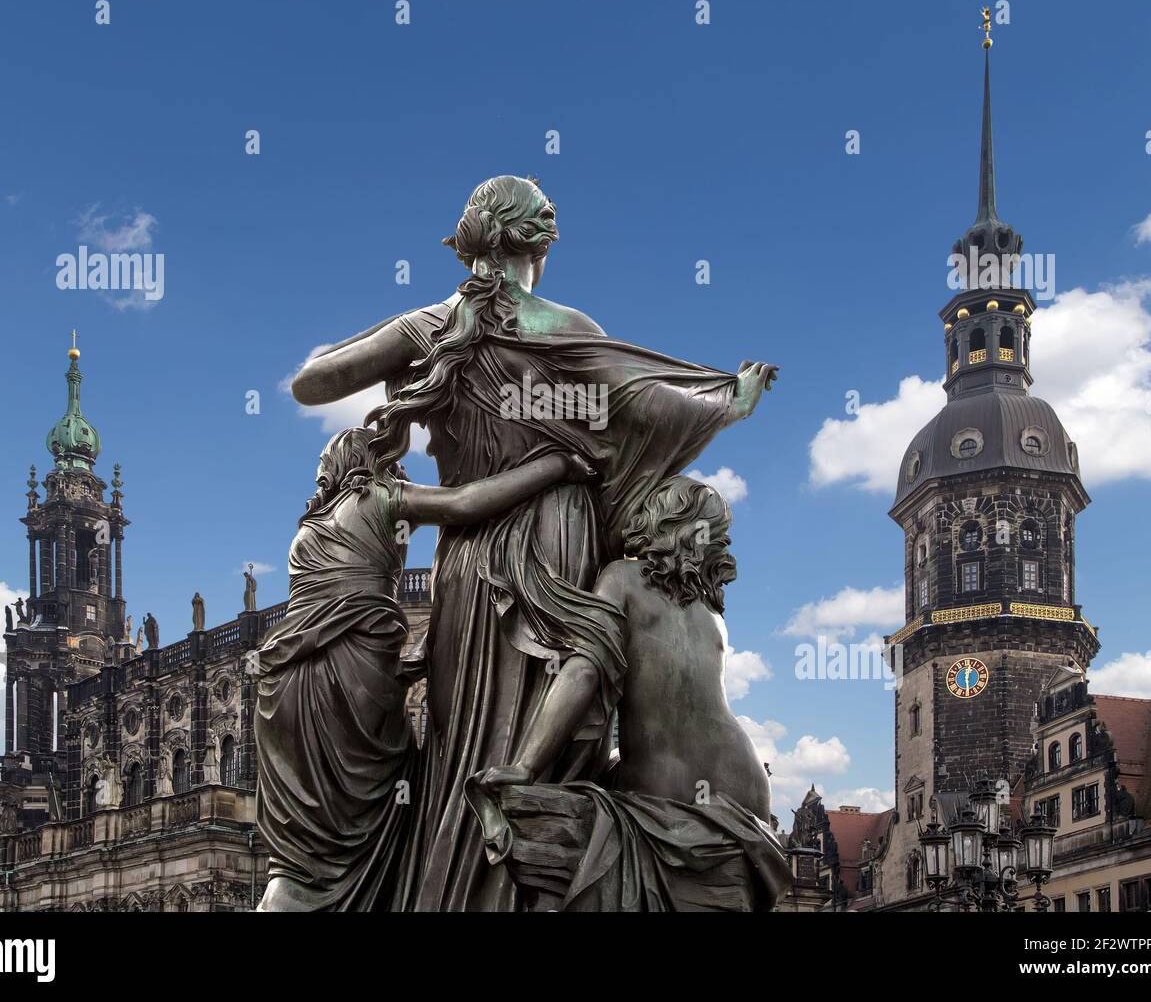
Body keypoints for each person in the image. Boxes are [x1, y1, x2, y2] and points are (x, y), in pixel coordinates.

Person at [291, 175, 775, 910]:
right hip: (561, 542)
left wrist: (421, 329)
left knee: (465, 738)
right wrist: (725, 400)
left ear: (469, 242)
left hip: (473, 552)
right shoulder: (568, 327)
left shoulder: (433, 327)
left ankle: (453, 888)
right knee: (567, 733)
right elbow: (652, 404)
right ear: (539, 246)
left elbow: (311, 383)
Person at [254, 426, 598, 912]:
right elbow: (463, 503)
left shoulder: (311, 524)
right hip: (347, 681)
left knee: (306, 853)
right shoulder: (376, 496)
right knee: (376, 818)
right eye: (394, 462)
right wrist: (555, 466)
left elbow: (339, 593)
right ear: (374, 464)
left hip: (283, 687)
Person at [470, 475, 789, 911]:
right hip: (748, 796)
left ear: (661, 519)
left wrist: (525, 765)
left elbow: (584, 672)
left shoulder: (623, 578)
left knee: (575, 873)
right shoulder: (711, 611)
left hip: (666, 793)